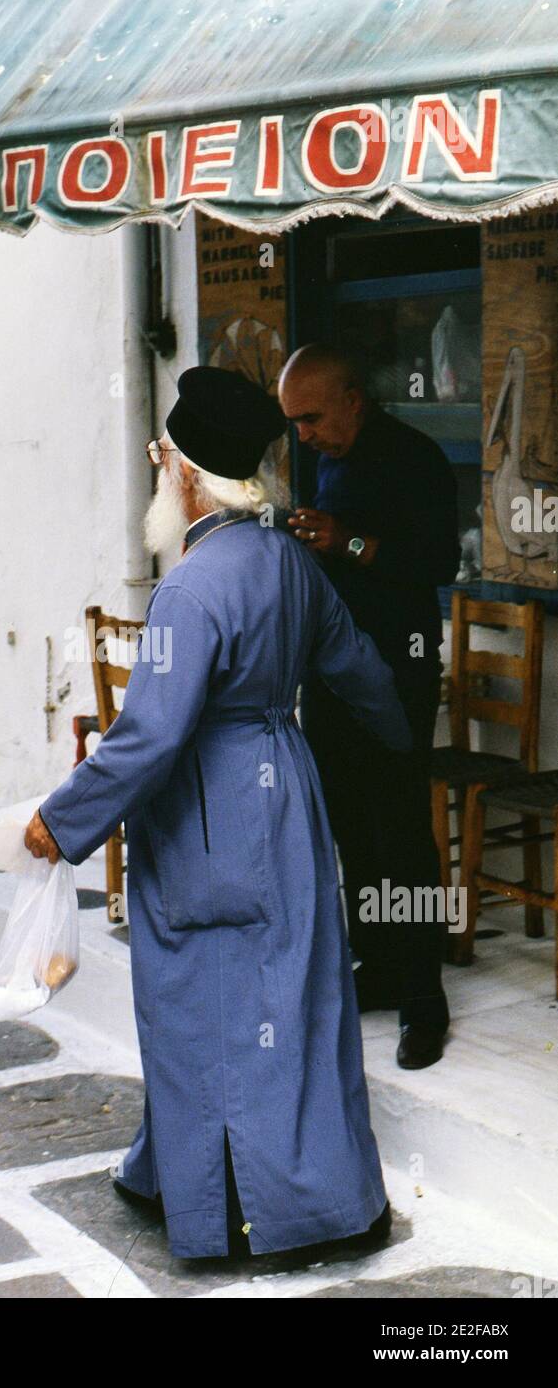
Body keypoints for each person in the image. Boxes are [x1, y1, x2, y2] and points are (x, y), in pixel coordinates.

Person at [24, 366, 412, 1261]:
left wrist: (60, 819)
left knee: (204, 1007)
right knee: (294, 1000)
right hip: (287, 794)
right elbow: (355, 665)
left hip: (210, 814)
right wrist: (400, 745)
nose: (157, 466)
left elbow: (150, 736)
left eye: (162, 456)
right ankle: (240, 1184)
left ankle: (246, 1216)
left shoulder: (189, 590)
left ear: (187, 476)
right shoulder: (286, 558)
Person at [278, 343, 460, 1071]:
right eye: (293, 423)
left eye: (312, 418)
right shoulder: (323, 455)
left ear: (352, 398)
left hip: (396, 676)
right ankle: (378, 967)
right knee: (350, 828)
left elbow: (436, 564)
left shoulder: (414, 458)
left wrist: (345, 540)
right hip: (330, 675)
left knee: (402, 838)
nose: (303, 435)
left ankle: (423, 1001)